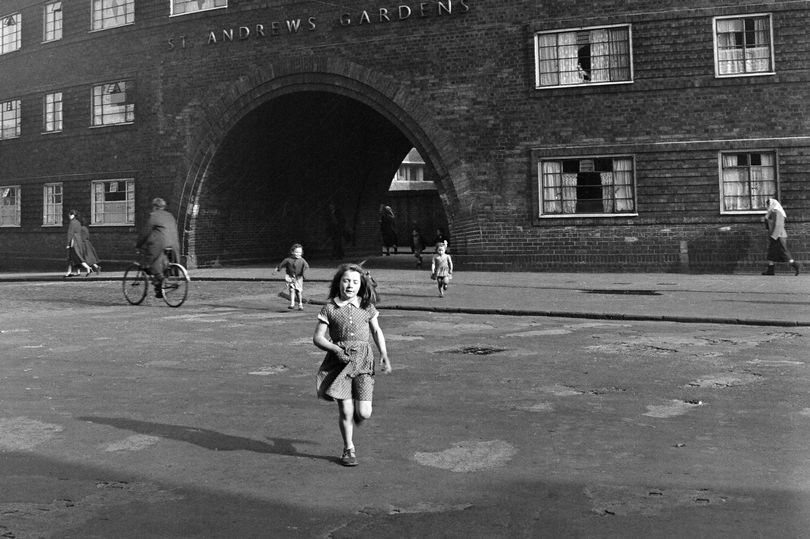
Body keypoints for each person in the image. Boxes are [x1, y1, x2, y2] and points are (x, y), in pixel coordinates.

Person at [313, 263, 392, 467]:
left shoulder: (366, 307)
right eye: (346, 280)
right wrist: (335, 349)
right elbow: (318, 338)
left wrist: (383, 352)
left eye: (355, 282)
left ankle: (359, 412)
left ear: (361, 285)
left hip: (364, 362)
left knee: (364, 413)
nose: (350, 285)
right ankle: (348, 448)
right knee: (346, 412)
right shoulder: (330, 307)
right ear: (339, 283)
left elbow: (376, 331)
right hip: (340, 364)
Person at [136, 197, 180, 298]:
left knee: (151, 260)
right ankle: (161, 285)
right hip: (173, 244)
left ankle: (159, 279)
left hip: (160, 243)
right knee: (165, 262)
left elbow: (145, 232)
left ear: (155, 207)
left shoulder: (154, 216)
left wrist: (138, 244)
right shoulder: (170, 216)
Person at [761, 198, 801, 276]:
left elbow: (779, 224)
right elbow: (768, 225)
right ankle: (770, 270)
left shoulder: (776, 211)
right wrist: (766, 218)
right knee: (771, 253)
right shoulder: (771, 212)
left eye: (768, 204)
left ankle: (796, 265)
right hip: (775, 235)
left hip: (778, 236)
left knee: (784, 252)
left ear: (772, 204)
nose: (768, 206)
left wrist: (774, 236)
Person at [275, 243, 310, 310]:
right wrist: (277, 269)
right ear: (292, 252)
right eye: (296, 252)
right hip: (290, 277)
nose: (298, 254)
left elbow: (306, 267)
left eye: (300, 252)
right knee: (291, 289)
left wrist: (304, 274)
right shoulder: (288, 259)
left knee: (298, 291)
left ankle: (300, 304)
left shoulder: (302, 260)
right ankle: (292, 303)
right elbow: (281, 265)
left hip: (299, 277)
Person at [65, 209, 92, 277]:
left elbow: (70, 233)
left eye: (70, 215)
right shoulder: (78, 222)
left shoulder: (72, 223)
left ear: (73, 215)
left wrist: (68, 244)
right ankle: (71, 272)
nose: (69, 216)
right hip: (78, 240)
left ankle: (88, 268)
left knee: (76, 257)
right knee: (72, 257)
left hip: (74, 241)